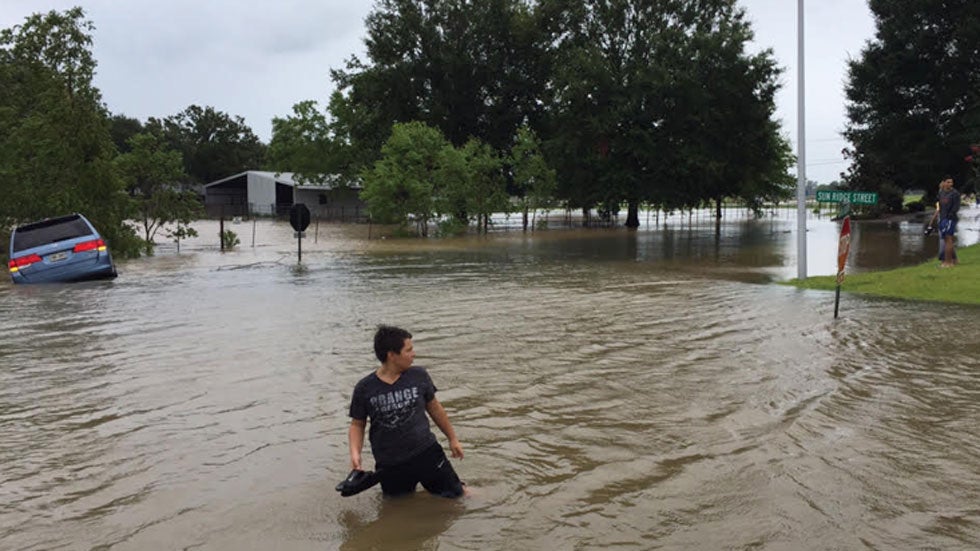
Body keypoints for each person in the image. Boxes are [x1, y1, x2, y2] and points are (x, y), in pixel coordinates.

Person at [347, 325, 466, 498]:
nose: (414, 354)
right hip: (390, 463)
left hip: (427, 453)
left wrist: (453, 439)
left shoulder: (419, 376)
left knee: (457, 496)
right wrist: (355, 454)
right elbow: (357, 424)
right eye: (408, 350)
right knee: (396, 505)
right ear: (392, 355)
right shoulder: (364, 388)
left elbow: (434, 408)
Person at [937, 176, 961, 267]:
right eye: (948, 182)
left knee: (948, 239)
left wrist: (949, 217)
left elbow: (956, 207)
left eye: (951, 182)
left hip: (950, 219)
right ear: (943, 183)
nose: (950, 184)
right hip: (942, 218)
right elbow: (940, 206)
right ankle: (952, 260)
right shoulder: (941, 193)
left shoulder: (955, 194)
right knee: (945, 239)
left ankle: (948, 262)